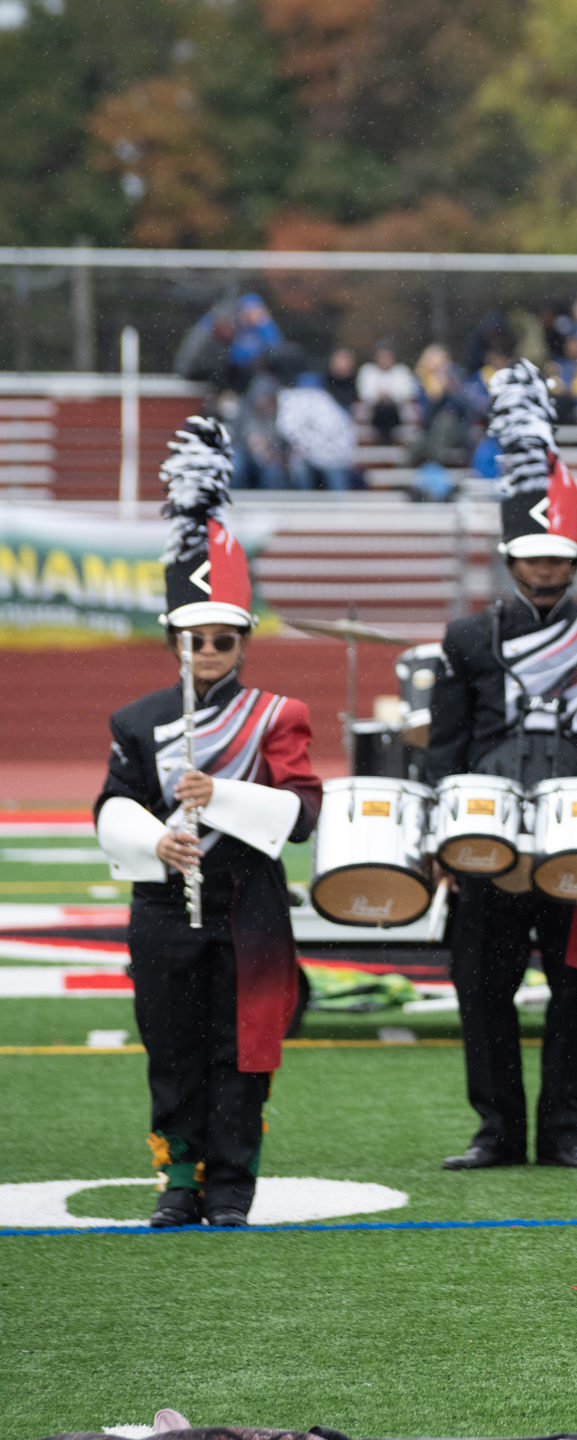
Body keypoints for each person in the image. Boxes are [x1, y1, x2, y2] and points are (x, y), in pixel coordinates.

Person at [93, 417, 322, 1228]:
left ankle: (231, 1187)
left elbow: (303, 814)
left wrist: (220, 794)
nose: (210, 650)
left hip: (246, 906)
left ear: (243, 640)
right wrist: (156, 839)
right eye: (196, 638)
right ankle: (178, 1181)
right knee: (173, 1052)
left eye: (224, 638)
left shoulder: (276, 714)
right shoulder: (137, 717)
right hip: (165, 904)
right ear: (174, 638)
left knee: (243, 1053)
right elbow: (108, 805)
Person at [424, 361, 577, 1172]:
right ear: (511, 556)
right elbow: (443, 744)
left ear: (575, 558)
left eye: (559, 559)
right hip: (486, 830)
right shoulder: (468, 637)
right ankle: (496, 1130)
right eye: (534, 558)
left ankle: (567, 1131)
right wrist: (439, 836)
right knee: (482, 987)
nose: (547, 570)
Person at [277, 375, 360, 491]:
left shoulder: (328, 405)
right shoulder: (296, 401)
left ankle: (341, 506)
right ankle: (305, 504)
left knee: (336, 474)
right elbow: (287, 429)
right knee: (298, 468)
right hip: (306, 455)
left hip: (332, 456)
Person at [358, 342, 419, 444]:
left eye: (387, 356)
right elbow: (365, 395)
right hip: (374, 414)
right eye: (381, 356)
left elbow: (408, 394)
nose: (384, 360)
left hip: (397, 414)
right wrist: (387, 395)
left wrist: (387, 395)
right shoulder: (368, 371)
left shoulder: (401, 371)